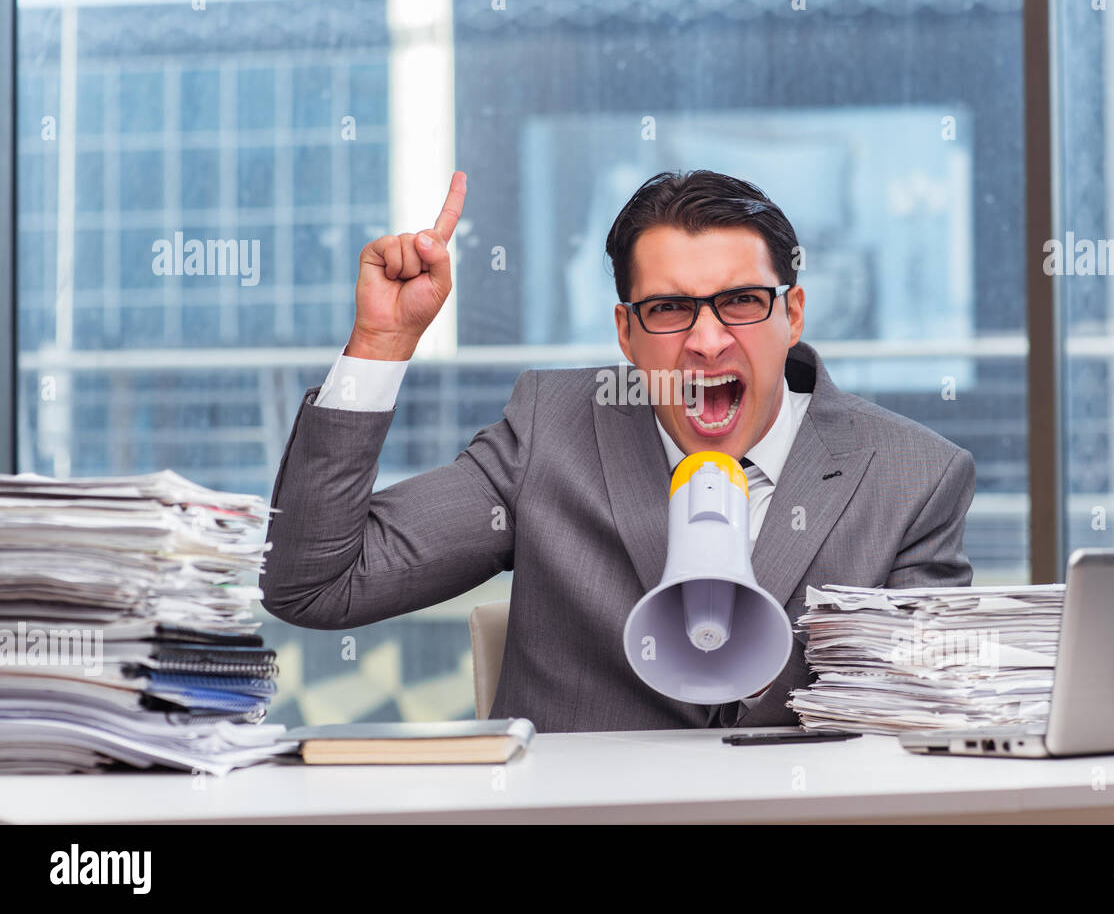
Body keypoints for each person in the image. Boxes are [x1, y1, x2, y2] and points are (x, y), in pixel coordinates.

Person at [262, 168, 976, 732]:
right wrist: (381, 346)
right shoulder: (552, 432)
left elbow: (924, 720)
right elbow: (314, 584)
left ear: (791, 314)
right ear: (626, 334)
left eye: (741, 301)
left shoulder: (911, 476)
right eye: (668, 308)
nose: (706, 339)